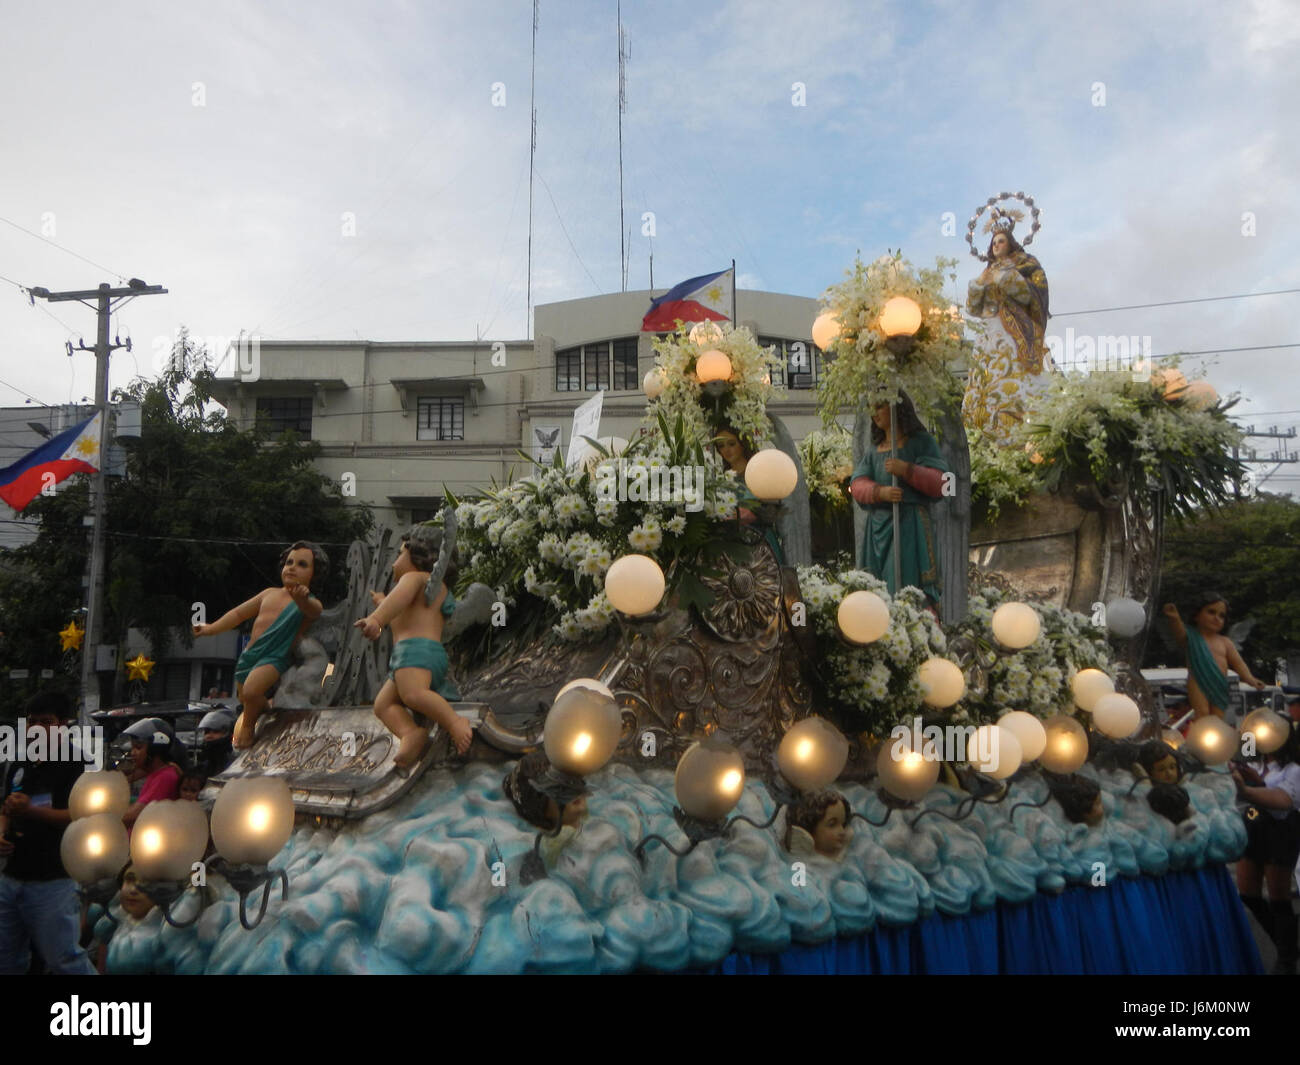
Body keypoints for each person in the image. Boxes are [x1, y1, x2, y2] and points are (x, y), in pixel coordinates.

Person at [193, 540, 328, 749]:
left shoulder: (309, 601)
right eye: (289, 562)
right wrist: (211, 628)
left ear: (314, 573)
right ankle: (265, 707)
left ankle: (248, 726)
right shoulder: (268, 594)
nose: (292, 567)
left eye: (302, 564)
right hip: (250, 654)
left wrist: (301, 599)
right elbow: (238, 614)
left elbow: (313, 611)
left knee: (251, 692)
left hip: (275, 657)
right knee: (243, 694)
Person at [356, 530, 473, 768]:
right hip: (413, 656)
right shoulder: (428, 587)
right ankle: (411, 734)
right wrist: (382, 601)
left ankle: (454, 722)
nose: (394, 562)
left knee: (413, 695)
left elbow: (397, 601)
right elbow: (400, 603)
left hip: (416, 653)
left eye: (400, 554)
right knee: (383, 705)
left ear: (419, 557)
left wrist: (376, 619)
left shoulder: (414, 579)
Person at [0, 688, 97, 975]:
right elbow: (5, 807)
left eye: (46, 721)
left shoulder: (76, 763)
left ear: (63, 723)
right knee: (6, 960)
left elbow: (80, 816)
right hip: (11, 877)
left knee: (63, 960)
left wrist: (31, 811)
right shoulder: (19, 761)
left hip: (54, 878)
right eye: (32, 721)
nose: (37, 728)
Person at [849, 393, 950, 602]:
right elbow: (857, 484)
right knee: (875, 586)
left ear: (897, 408)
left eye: (880, 406)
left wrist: (907, 470)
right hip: (877, 528)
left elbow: (944, 484)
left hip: (908, 525)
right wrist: (880, 492)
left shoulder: (921, 442)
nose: (875, 413)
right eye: (872, 408)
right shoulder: (873, 450)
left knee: (904, 581)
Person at [962, 221, 1051, 436]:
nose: (996, 245)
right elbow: (973, 308)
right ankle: (987, 414)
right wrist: (978, 284)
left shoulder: (1025, 264)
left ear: (1010, 243)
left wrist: (1005, 276)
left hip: (1014, 326)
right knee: (985, 370)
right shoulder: (987, 271)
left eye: (1001, 241)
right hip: (988, 329)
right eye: (993, 242)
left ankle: (1018, 409)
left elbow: (1028, 294)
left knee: (1013, 365)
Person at [1232, 723, 1300, 974]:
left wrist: (1249, 788)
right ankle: (1287, 946)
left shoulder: (1293, 770)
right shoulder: (1254, 759)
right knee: (1248, 893)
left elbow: (1283, 801)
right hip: (1254, 825)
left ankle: (1287, 957)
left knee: (1278, 896)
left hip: (1280, 830)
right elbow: (1243, 753)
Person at [1162, 593, 1267, 719]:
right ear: (1196, 615)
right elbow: (1179, 631)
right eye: (1211, 612)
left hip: (1219, 683)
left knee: (1218, 715)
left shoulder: (1225, 642)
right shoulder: (1191, 637)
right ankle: (1202, 735)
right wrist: (1175, 618)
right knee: (1202, 712)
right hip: (1198, 680)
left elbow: (1238, 663)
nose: (1216, 618)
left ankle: (1218, 735)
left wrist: (1250, 679)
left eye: (1221, 615)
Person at [714, 424, 783, 562]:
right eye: (721, 446)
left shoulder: (759, 473)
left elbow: (773, 510)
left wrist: (753, 513)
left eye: (731, 444)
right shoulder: (721, 480)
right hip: (731, 547)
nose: (726, 450)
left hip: (759, 544)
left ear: (742, 443)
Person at [121, 725, 181, 827]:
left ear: (154, 751)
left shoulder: (165, 777)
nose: (133, 753)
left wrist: (106, 818)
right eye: (133, 748)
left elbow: (134, 815)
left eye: (138, 748)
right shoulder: (156, 774)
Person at [784, 789, 853, 861]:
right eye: (832, 824)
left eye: (843, 824)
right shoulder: (805, 861)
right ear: (810, 827)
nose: (842, 831)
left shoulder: (848, 853)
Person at [194, 710, 235, 778]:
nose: (209, 736)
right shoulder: (203, 768)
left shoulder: (234, 765)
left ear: (229, 734)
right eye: (207, 732)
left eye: (216, 731)